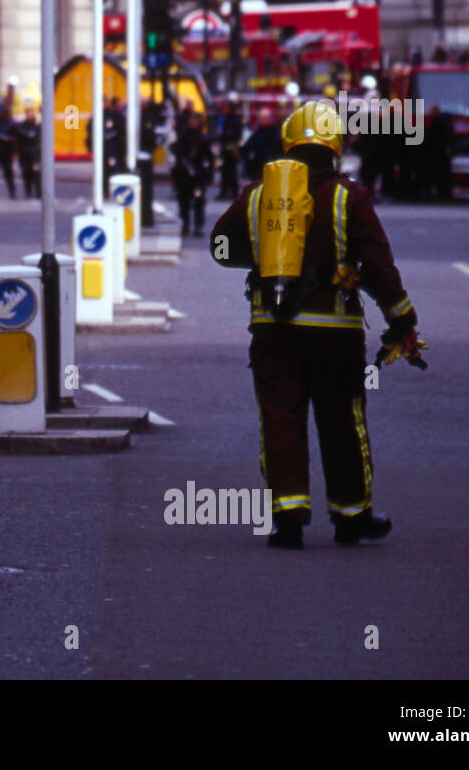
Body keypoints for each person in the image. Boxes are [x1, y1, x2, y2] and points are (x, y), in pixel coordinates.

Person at [210, 100, 422, 549]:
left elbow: (221, 250)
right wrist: (402, 320)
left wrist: (269, 258)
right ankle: (351, 516)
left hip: (272, 330)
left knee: (281, 417)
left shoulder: (256, 195)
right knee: (342, 418)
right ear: (335, 148)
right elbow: (381, 267)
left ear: (288, 145)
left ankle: (288, 520)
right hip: (334, 334)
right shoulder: (350, 196)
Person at [170, 113, 215, 236]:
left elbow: (209, 158)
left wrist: (208, 175)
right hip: (184, 175)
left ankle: (198, 226)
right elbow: (177, 152)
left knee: (199, 200)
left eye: (196, 120)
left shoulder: (204, 138)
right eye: (192, 120)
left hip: (198, 174)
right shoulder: (184, 136)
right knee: (184, 200)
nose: (194, 123)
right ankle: (185, 224)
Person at [241, 107, 281, 183]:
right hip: (259, 169)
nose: (264, 121)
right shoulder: (256, 134)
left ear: (270, 118)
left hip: (274, 169)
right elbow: (246, 149)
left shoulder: (277, 134)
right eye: (262, 118)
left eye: (266, 118)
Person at [14, 99, 42, 199]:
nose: (29, 115)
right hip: (24, 155)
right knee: (26, 175)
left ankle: (39, 194)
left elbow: (37, 139)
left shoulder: (36, 126)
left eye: (31, 113)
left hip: (34, 155)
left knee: (36, 174)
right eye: (28, 113)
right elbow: (19, 139)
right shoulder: (22, 126)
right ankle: (28, 193)